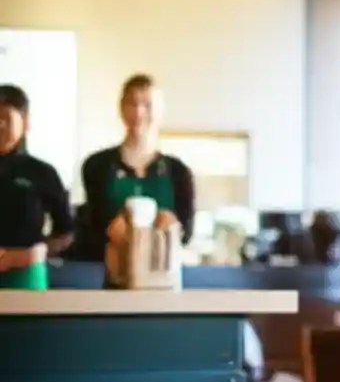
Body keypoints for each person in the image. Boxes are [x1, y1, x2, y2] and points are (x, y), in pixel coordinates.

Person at [80, 74, 195, 281]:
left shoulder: (178, 171)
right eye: (132, 104)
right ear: (121, 108)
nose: (139, 112)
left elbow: (186, 232)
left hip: (164, 276)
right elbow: (91, 226)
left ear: (160, 112)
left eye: (147, 105)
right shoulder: (97, 165)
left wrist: (172, 226)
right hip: (112, 275)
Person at [0, 85, 74, 289]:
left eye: (6, 117)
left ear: (25, 122)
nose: (0, 125)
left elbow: (66, 231)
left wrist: (37, 252)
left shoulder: (43, 173)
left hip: (26, 274)